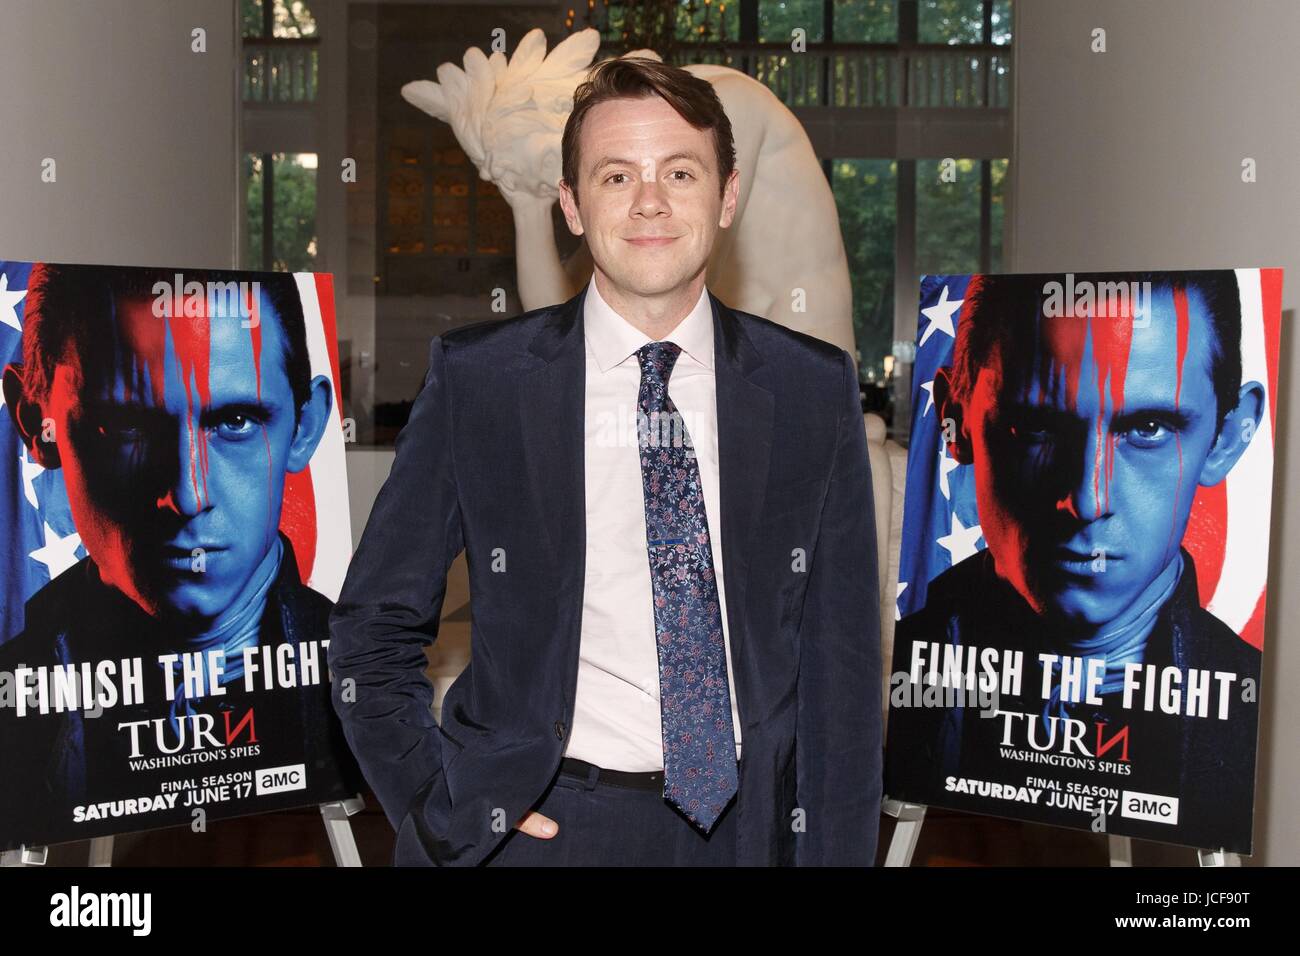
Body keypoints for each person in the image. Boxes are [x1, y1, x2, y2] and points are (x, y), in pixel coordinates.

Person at [328, 56, 882, 867]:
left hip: (748, 834)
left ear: (728, 197)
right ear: (573, 205)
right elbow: (371, 628)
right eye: (616, 174)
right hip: (539, 832)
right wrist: (443, 805)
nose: (650, 201)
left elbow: (842, 676)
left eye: (681, 172)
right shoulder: (481, 380)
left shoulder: (810, 389)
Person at [885, 271, 1264, 853]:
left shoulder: (1235, 712)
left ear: (1227, 437)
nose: (1087, 500)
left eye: (1148, 427)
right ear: (954, 420)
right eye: (1035, 426)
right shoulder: (910, 688)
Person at [0, 264, 360, 849]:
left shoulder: (360, 678)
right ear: (36, 425)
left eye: (236, 421)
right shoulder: (13, 698)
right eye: (124, 426)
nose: (188, 495)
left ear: (305, 425)